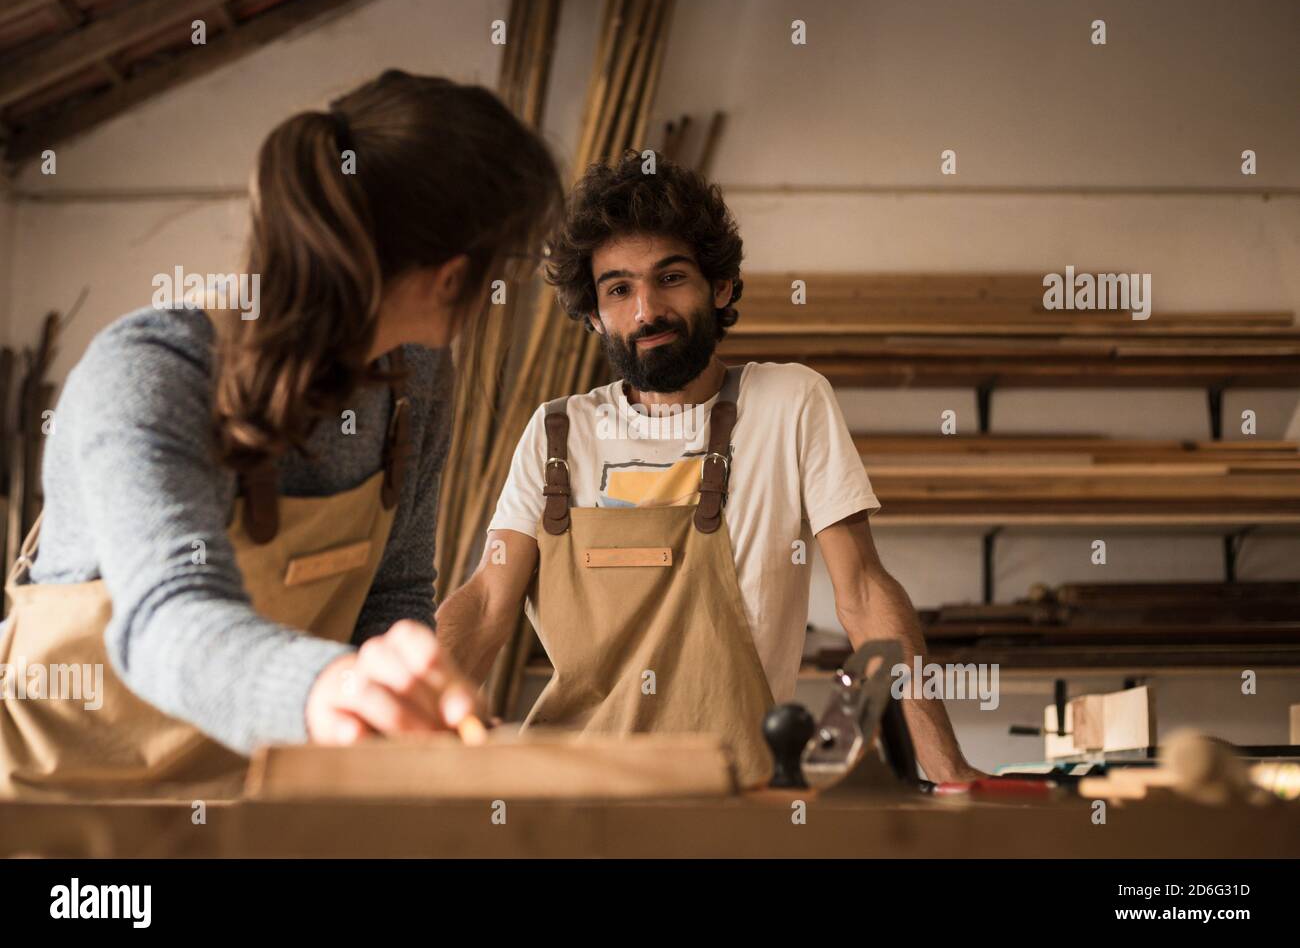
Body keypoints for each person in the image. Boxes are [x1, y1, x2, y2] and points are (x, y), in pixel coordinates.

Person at [0, 70, 562, 797]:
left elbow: (391, 595)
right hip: (61, 810)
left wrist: (403, 730)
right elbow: (165, 621)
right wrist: (325, 688)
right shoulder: (150, 373)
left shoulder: (416, 376)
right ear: (454, 277)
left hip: (255, 798)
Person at [437, 152, 983, 786]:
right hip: (571, 796)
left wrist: (949, 772)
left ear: (719, 286)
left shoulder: (789, 403)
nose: (647, 311)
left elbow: (862, 593)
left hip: (738, 797)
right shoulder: (557, 433)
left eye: (670, 278)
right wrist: (395, 749)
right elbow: (484, 606)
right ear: (593, 313)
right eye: (618, 289)